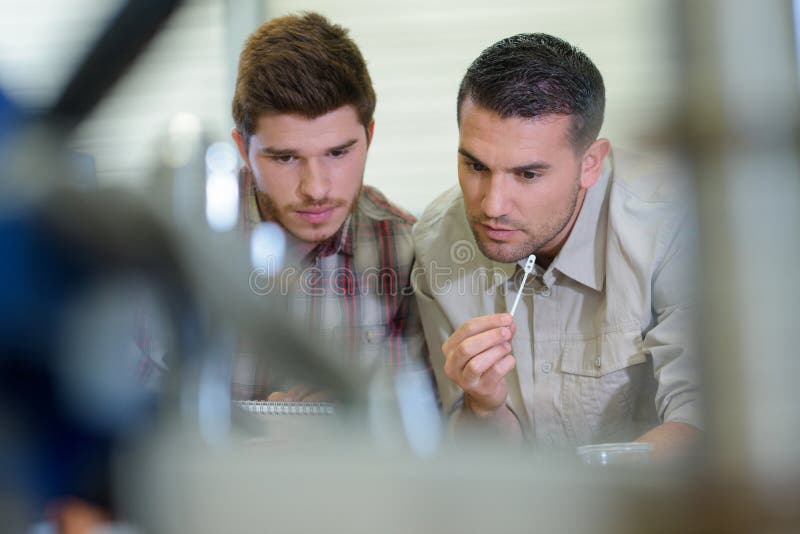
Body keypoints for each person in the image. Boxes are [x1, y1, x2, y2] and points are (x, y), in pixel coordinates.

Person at [412, 33, 700, 460]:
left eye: (527, 175)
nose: (492, 206)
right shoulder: (438, 242)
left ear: (590, 164)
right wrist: (484, 407)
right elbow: (479, 462)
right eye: (475, 165)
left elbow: (704, 426)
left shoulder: (674, 225)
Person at [228, 12, 426, 401]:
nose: (316, 189)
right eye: (285, 158)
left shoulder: (408, 250)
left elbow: (427, 428)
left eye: (338, 152)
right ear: (244, 151)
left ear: (368, 136)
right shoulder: (176, 248)